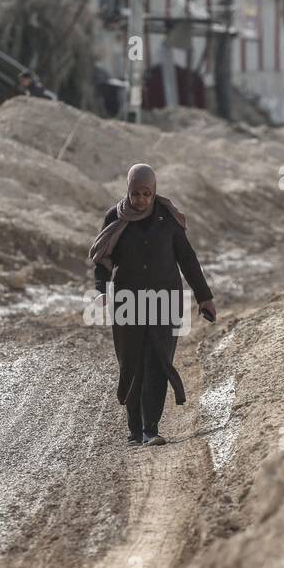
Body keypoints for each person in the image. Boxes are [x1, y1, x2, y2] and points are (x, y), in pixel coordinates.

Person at [89, 164, 216, 447]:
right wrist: (101, 291)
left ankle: (150, 428)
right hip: (127, 302)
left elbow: (187, 259)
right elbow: (103, 259)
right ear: (128, 191)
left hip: (166, 301)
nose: (141, 200)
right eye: (135, 194)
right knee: (131, 363)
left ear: (154, 190)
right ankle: (134, 429)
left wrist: (204, 297)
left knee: (157, 360)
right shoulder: (115, 217)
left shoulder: (167, 218)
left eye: (146, 194)